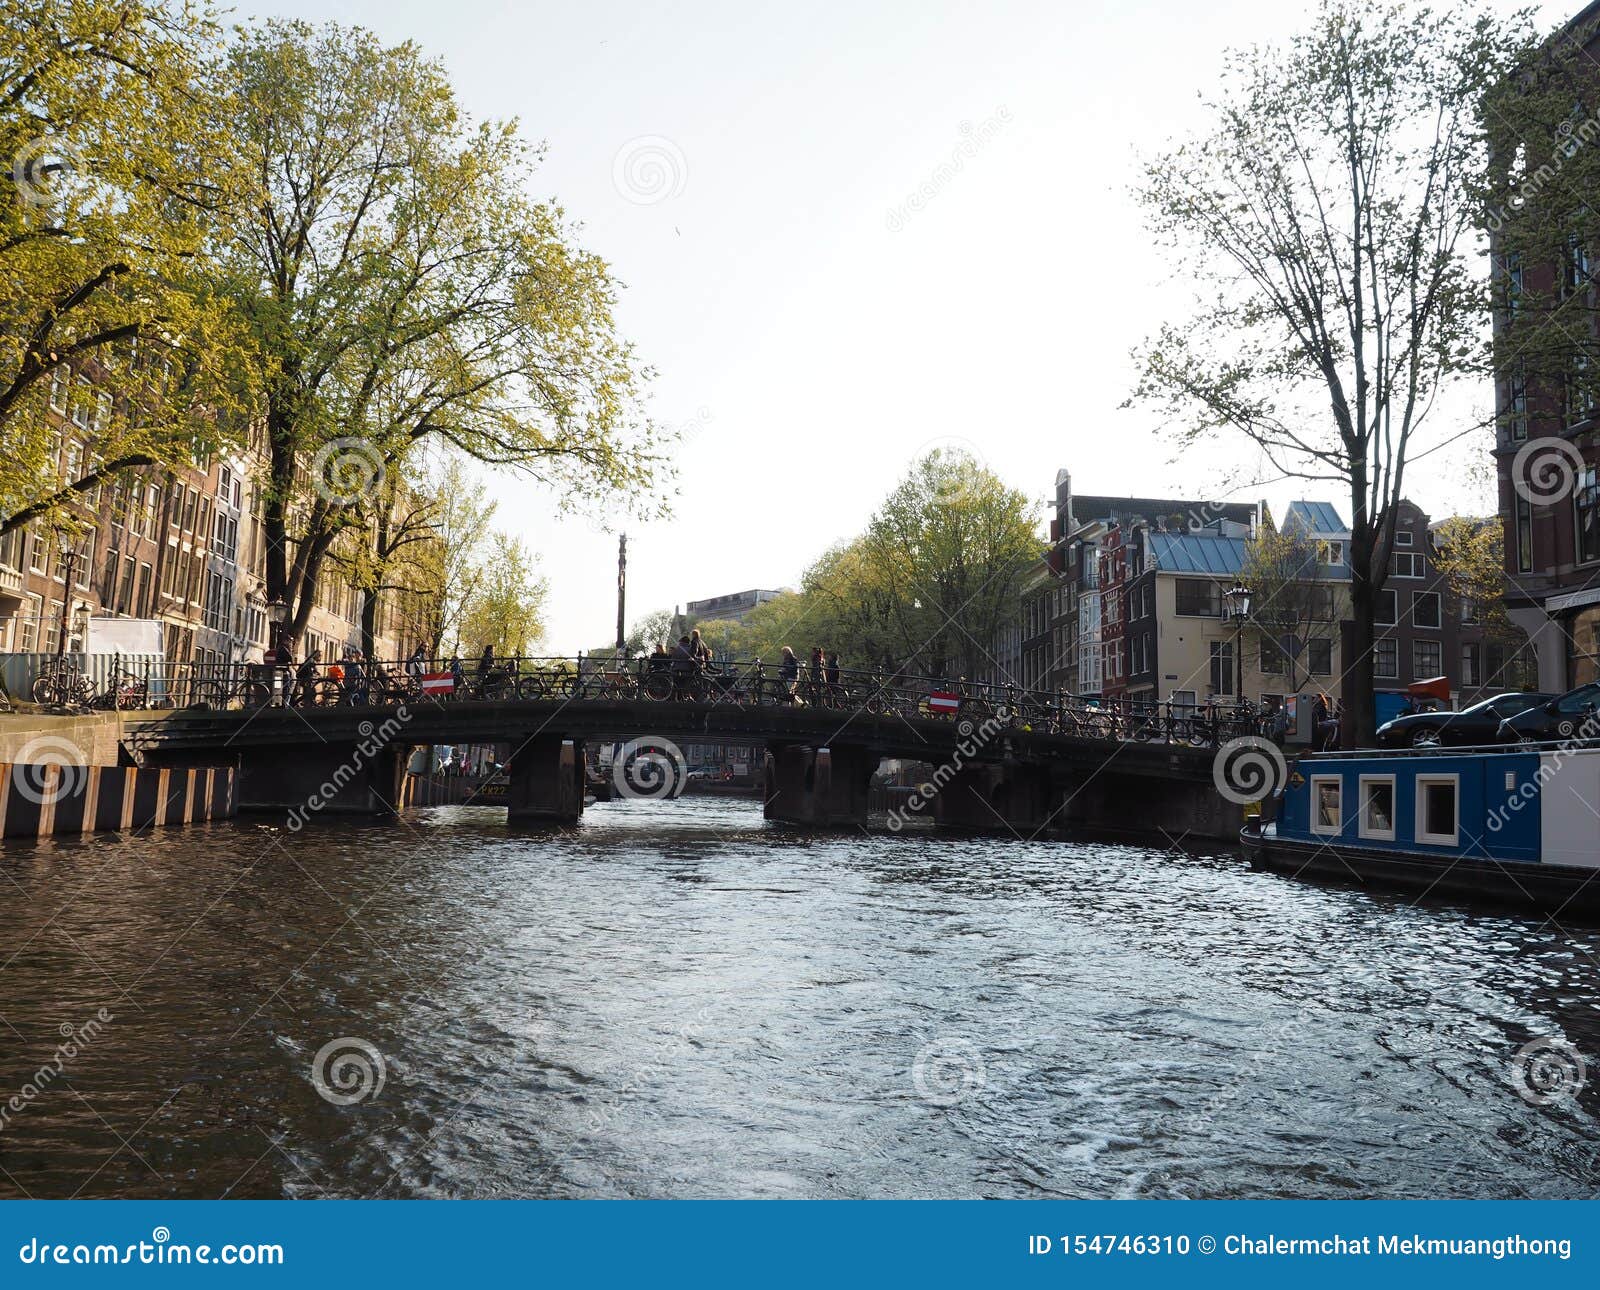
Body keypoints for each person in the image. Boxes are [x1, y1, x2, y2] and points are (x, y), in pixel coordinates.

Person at [671, 635, 697, 699]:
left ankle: (676, 697)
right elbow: (693, 657)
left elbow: (673, 658)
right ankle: (686, 696)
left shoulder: (676, 649)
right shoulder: (690, 649)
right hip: (687, 669)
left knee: (677, 684)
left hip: (676, 669)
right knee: (686, 684)